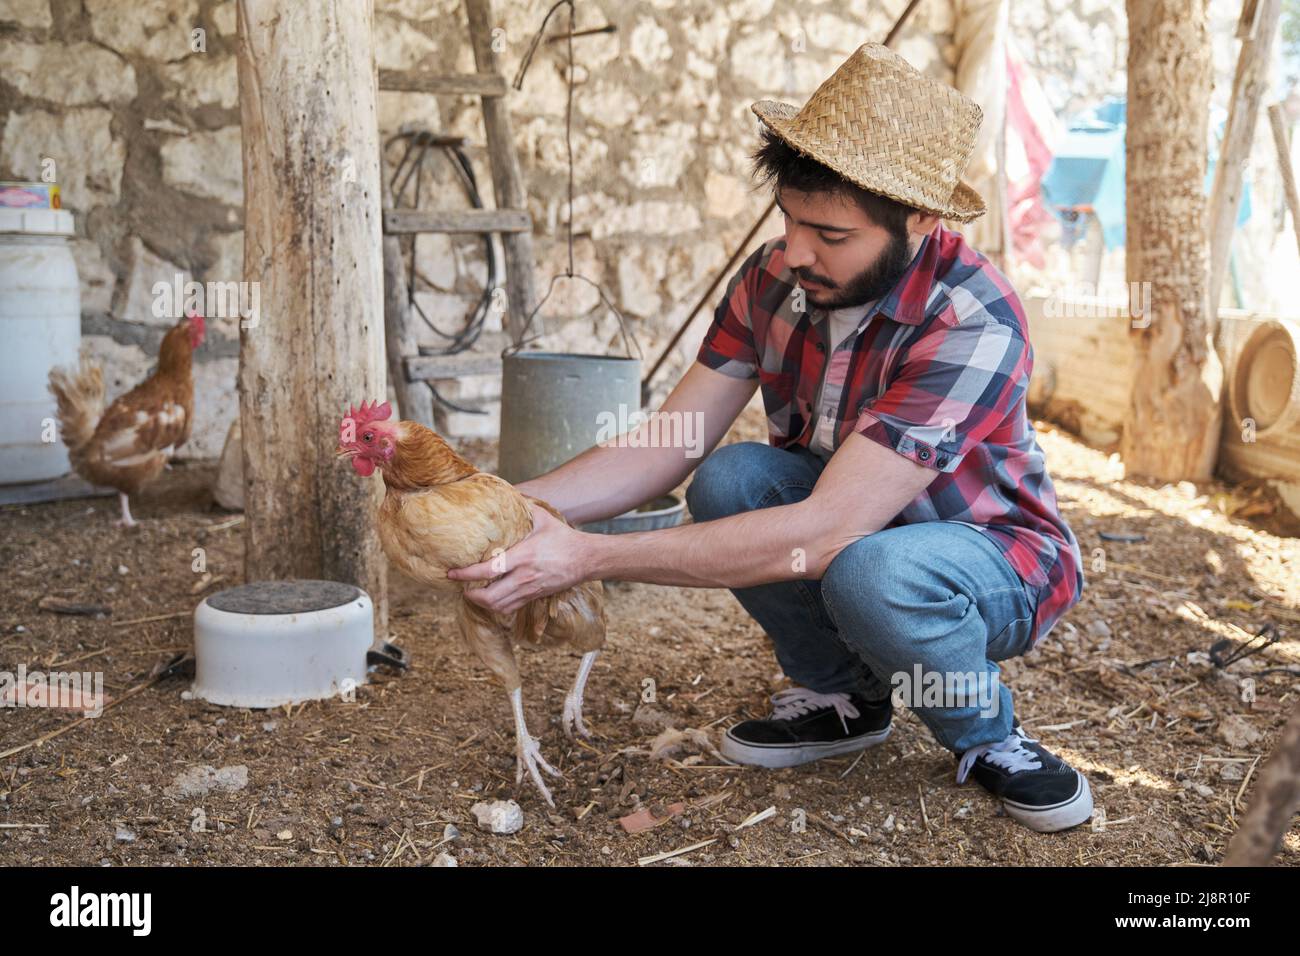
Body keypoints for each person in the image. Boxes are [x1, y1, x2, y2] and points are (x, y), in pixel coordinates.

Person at [449, 43, 1090, 833]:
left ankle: (989, 735)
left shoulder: (974, 320)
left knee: (870, 571)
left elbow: (824, 534)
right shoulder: (772, 280)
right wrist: (504, 506)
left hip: (991, 556)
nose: (795, 252)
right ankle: (846, 700)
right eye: (788, 219)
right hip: (853, 524)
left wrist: (588, 555)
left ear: (919, 221)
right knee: (729, 480)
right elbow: (671, 439)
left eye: (830, 234)